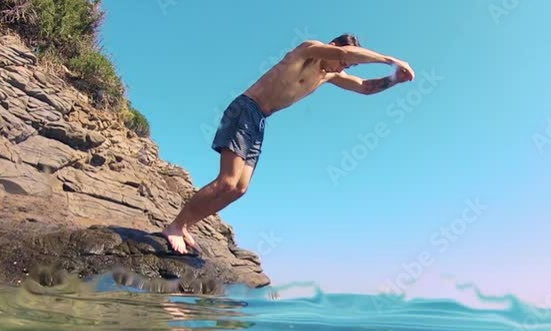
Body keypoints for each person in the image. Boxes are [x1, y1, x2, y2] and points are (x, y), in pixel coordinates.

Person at [162, 34, 415, 254]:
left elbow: (364, 87)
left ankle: (185, 225)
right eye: (344, 64)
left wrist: (394, 79)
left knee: (239, 188)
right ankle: (175, 225)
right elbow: (343, 53)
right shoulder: (308, 50)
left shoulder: (327, 75)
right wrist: (390, 60)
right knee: (227, 180)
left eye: (347, 66)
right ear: (333, 45)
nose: (342, 69)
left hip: (260, 120)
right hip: (245, 108)